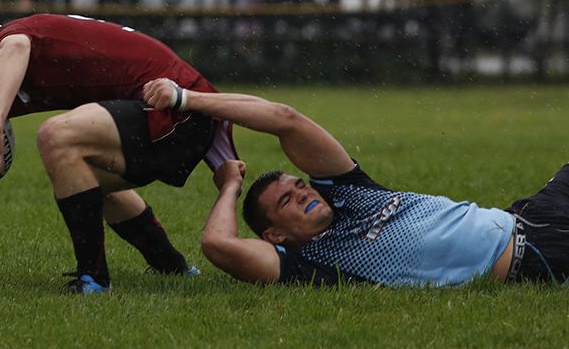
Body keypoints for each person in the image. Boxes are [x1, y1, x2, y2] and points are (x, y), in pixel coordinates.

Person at [0, 0, 238, 294]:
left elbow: (15, 47)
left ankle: (93, 279)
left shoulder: (11, 38)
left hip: (177, 110)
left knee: (56, 136)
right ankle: (172, 268)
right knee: (80, 174)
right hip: (168, 118)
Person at [141, 79, 569, 286]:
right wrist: (228, 186)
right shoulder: (312, 264)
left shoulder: (351, 192)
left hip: (527, 215)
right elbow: (220, 246)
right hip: (534, 257)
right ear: (275, 234)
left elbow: (285, 119)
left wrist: (187, 98)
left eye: (300, 185)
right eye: (287, 200)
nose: (303, 192)